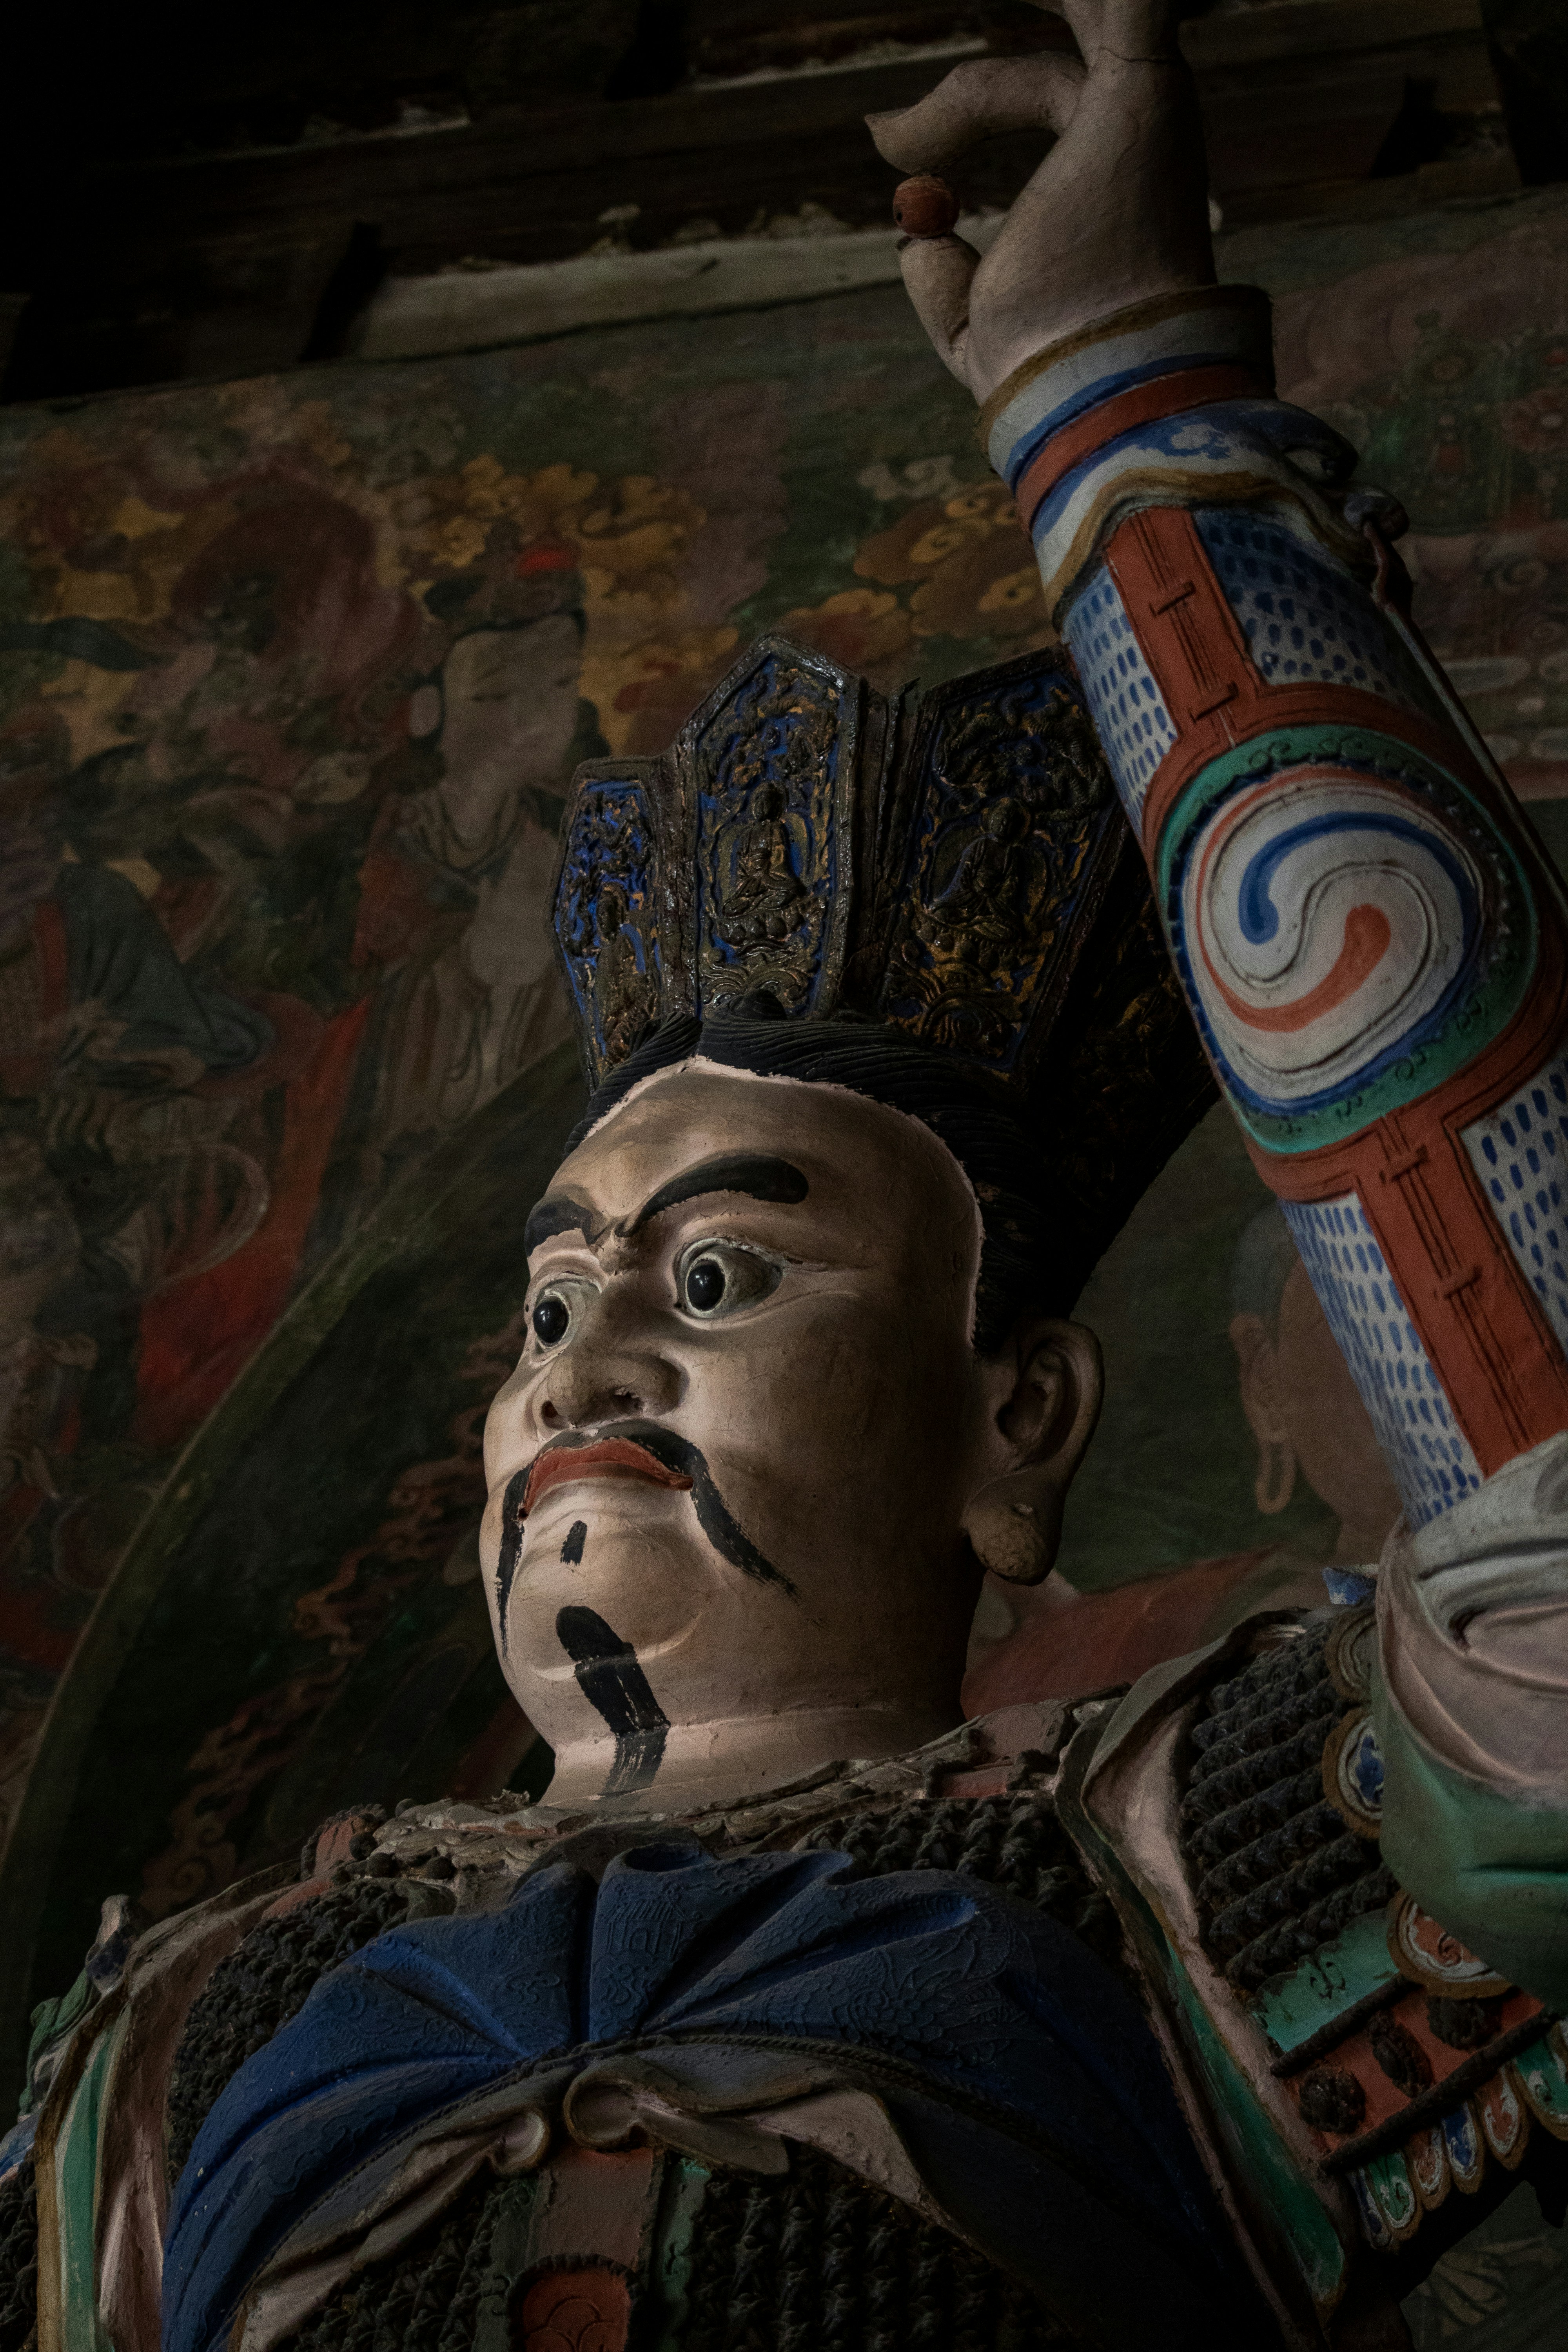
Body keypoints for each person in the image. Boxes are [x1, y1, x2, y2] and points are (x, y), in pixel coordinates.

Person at [5, 8, 1568, 2351]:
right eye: (546, 1315)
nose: (589, 1356)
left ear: (1015, 1420)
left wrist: (1112, 394)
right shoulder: (166, 2042)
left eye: (721, 1272)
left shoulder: (1183, 1875)